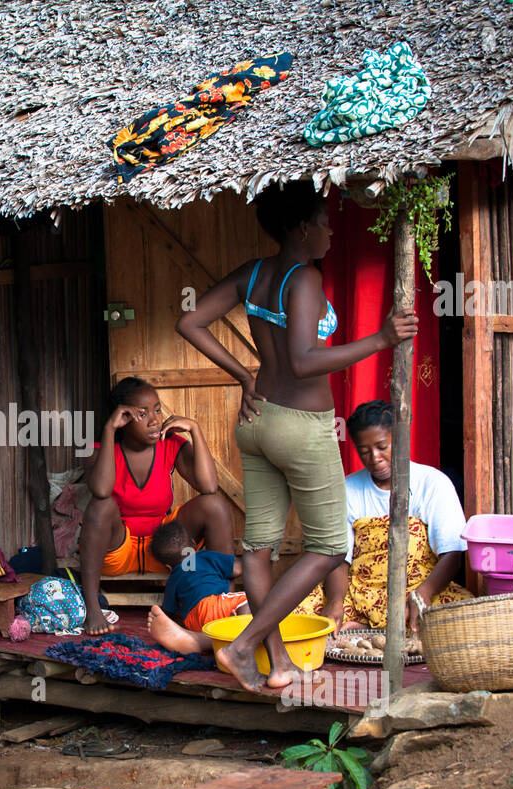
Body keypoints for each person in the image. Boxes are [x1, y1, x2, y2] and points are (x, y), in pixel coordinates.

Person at [175, 181, 418, 691]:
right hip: (301, 429)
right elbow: (305, 360)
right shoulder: (303, 278)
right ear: (303, 227)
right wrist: (379, 339)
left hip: (258, 423)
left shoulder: (257, 272)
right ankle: (245, 646)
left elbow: (190, 321)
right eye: (325, 221)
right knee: (330, 547)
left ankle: (276, 661)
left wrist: (245, 375)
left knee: (258, 549)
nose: (331, 230)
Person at [296, 400, 473, 632]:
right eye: (364, 451)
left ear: (399, 440)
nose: (374, 457)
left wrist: (423, 593)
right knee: (297, 616)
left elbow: (452, 554)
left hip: (419, 591)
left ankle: (364, 627)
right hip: (357, 593)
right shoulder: (348, 489)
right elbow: (339, 558)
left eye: (382, 446)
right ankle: (362, 622)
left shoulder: (432, 483)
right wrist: (336, 602)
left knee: (467, 620)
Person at [78, 377, 231, 635]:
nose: (154, 420)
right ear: (123, 418)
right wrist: (108, 430)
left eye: (157, 410)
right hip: (118, 548)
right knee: (100, 506)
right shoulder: (98, 449)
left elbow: (209, 486)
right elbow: (101, 490)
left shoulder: (170, 444)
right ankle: (92, 607)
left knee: (215, 505)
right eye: (142, 413)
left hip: (166, 549)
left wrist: (195, 429)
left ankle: (220, 601)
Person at [143, 520, 246, 654]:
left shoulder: (174, 578)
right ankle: (240, 636)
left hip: (192, 620)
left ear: (168, 567)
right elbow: (238, 569)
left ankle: (196, 640)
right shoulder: (205, 556)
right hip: (217, 605)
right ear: (193, 544)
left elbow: (168, 612)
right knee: (253, 601)